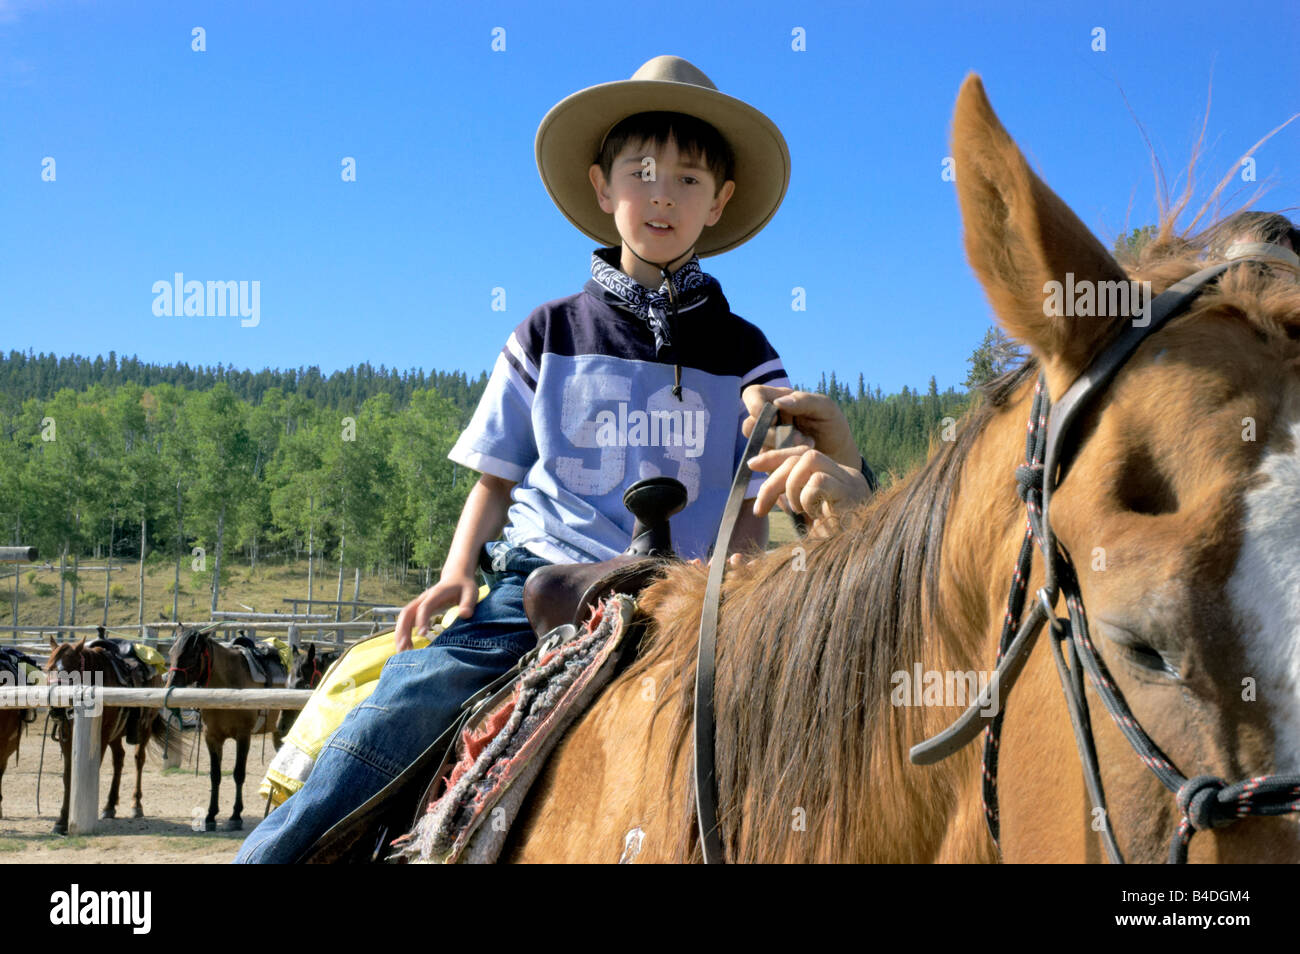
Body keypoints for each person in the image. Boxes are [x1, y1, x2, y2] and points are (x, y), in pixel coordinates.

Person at [235, 55, 792, 863]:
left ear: (720, 201)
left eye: (689, 178)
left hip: (695, 602)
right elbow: (496, 477)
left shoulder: (747, 354)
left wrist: (749, 582)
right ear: (604, 189)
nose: (663, 194)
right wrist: (461, 571)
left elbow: (755, 495)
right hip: (546, 585)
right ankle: (272, 857)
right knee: (407, 707)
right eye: (642, 173)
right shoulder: (549, 331)